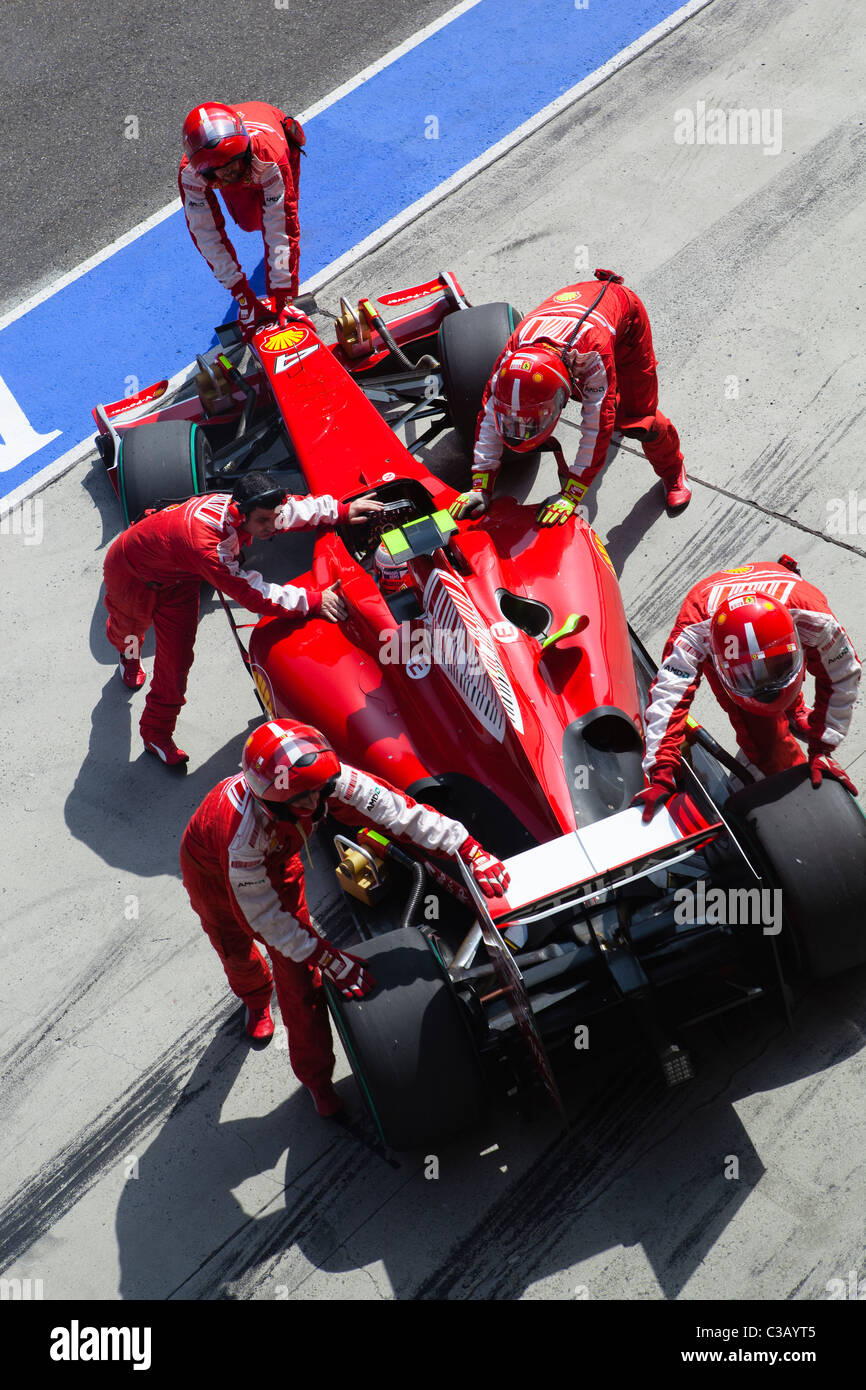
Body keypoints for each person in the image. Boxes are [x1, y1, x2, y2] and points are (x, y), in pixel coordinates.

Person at [180, 719, 510, 1116]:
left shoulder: (331, 781)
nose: (318, 803)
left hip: (279, 864)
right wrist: (329, 957)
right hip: (211, 874)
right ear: (271, 802)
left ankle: (313, 1078)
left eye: (323, 789)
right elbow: (265, 921)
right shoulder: (243, 838)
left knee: (300, 977)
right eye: (305, 799)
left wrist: (469, 848)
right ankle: (254, 999)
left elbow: (401, 815)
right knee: (234, 946)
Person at [104, 471, 382, 765]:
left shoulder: (257, 510)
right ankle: (127, 655)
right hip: (130, 575)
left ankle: (154, 734)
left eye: (274, 517)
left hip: (180, 577)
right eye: (263, 521)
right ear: (238, 513)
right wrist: (314, 600)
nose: (271, 527)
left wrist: (341, 510)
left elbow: (291, 511)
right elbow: (254, 595)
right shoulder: (209, 546)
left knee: (177, 663)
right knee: (130, 633)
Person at [450, 269, 690, 526]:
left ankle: (673, 470)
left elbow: (596, 427)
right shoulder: (509, 360)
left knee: (638, 420)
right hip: (576, 315)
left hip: (623, 315)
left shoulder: (594, 357)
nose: (520, 430)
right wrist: (480, 486)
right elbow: (489, 416)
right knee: (607, 402)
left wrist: (572, 493)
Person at [634, 558, 861, 820]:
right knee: (766, 749)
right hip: (713, 618)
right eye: (747, 677)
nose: (767, 688)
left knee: (766, 667)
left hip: (784, 604)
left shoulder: (813, 617)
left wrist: (822, 746)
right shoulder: (696, 630)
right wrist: (661, 769)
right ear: (717, 658)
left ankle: (790, 707)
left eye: (779, 667)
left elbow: (843, 673)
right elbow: (669, 692)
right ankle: (782, 703)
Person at [179, 101, 307, 336]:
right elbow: (206, 235)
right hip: (248, 163)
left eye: (232, 161)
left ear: (244, 150)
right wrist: (242, 295)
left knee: (280, 221)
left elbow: (281, 229)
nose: (229, 172)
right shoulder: (191, 174)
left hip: (275, 151)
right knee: (250, 223)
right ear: (203, 169)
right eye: (220, 169)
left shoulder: (271, 157)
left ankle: (282, 284)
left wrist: (284, 299)